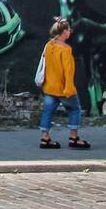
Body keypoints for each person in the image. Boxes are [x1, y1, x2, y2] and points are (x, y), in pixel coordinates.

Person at [39, 16, 89, 150]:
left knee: (48, 111)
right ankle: (73, 137)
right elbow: (68, 71)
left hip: (49, 87)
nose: (70, 32)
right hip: (63, 88)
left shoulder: (49, 46)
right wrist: (69, 88)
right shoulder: (66, 49)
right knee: (75, 109)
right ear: (64, 32)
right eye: (69, 30)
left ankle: (45, 138)